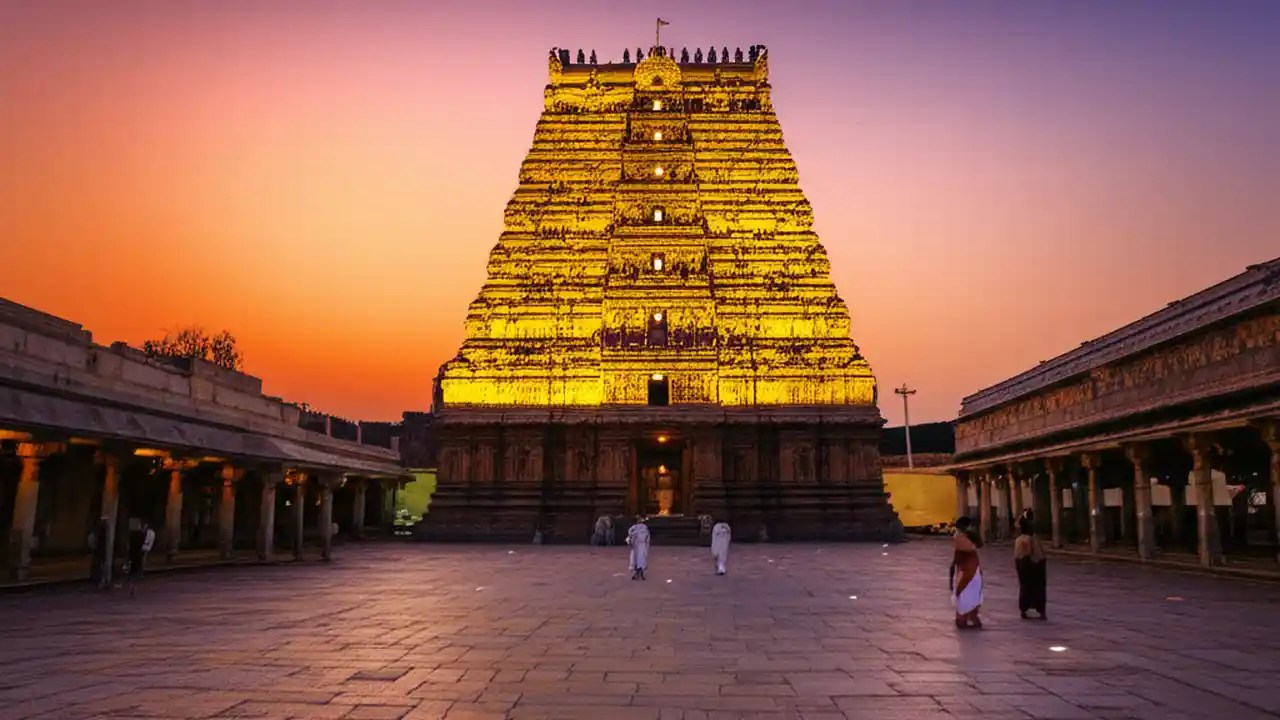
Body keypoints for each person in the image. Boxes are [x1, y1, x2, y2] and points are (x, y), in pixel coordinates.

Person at [950, 516, 983, 629]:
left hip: (968, 568)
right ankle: (965, 618)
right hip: (968, 569)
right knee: (966, 594)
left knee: (969, 593)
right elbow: (975, 546)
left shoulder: (961, 536)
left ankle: (968, 617)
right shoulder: (960, 537)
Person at [1014, 516, 1047, 619]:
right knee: (1034, 588)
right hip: (1032, 566)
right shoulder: (1027, 539)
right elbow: (1026, 554)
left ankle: (1030, 609)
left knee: (1028, 588)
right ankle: (1035, 609)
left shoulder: (1025, 539)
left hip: (1031, 565)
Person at [126, 519, 155, 598]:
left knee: (132, 571)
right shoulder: (142, 535)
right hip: (139, 555)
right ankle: (133, 585)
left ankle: (131, 584)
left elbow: (129, 546)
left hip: (133, 555)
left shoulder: (133, 535)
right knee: (136, 571)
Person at [89, 516, 110, 589]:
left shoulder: (99, 530)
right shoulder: (102, 531)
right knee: (102, 566)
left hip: (99, 551)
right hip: (101, 551)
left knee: (101, 566)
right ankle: (102, 581)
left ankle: (101, 581)